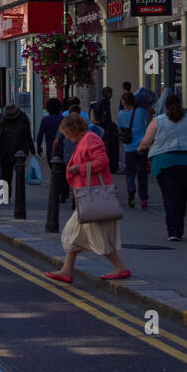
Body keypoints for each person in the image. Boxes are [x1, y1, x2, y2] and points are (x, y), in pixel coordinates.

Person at [45, 114, 134, 284]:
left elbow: (102, 161)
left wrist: (79, 168)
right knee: (72, 234)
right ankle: (67, 270)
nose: (66, 137)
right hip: (86, 197)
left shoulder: (90, 139)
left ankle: (120, 267)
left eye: (66, 132)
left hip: (93, 197)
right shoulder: (85, 139)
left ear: (73, 129)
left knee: (97, 237)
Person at [137, 93, 187, 242]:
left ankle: (173, 230)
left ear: (165, 106)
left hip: (165, 163)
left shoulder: (157, 121)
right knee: (182, 195)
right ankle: (179, 228)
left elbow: (146, 141)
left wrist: (140, 149)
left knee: (169, 197)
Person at [0, 103, 35, 202]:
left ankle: (4, 197)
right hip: (18, 150)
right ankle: (19, 197)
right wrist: (32, 149)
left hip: (5, 150)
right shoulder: (22, 116)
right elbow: (28, 133)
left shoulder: (2, 116)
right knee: (19, 175)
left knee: (5, 175)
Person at [118, 91, 151, 210]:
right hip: (141, 147)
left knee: (130, 173)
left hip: (128, 148)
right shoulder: (141, 112)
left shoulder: (120, 114)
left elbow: (120, 128)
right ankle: (143, 199)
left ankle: (131, 192)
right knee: (142, 174)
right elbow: (149, 122)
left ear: (124, 102)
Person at [92, 86, 119, 173]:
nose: (110, 95)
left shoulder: (106, 103)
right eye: (109, 93)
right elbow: (95, 111)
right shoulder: (102, 103)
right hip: (104, 128)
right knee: (107, 147)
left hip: (107, 127)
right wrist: (97, 121)